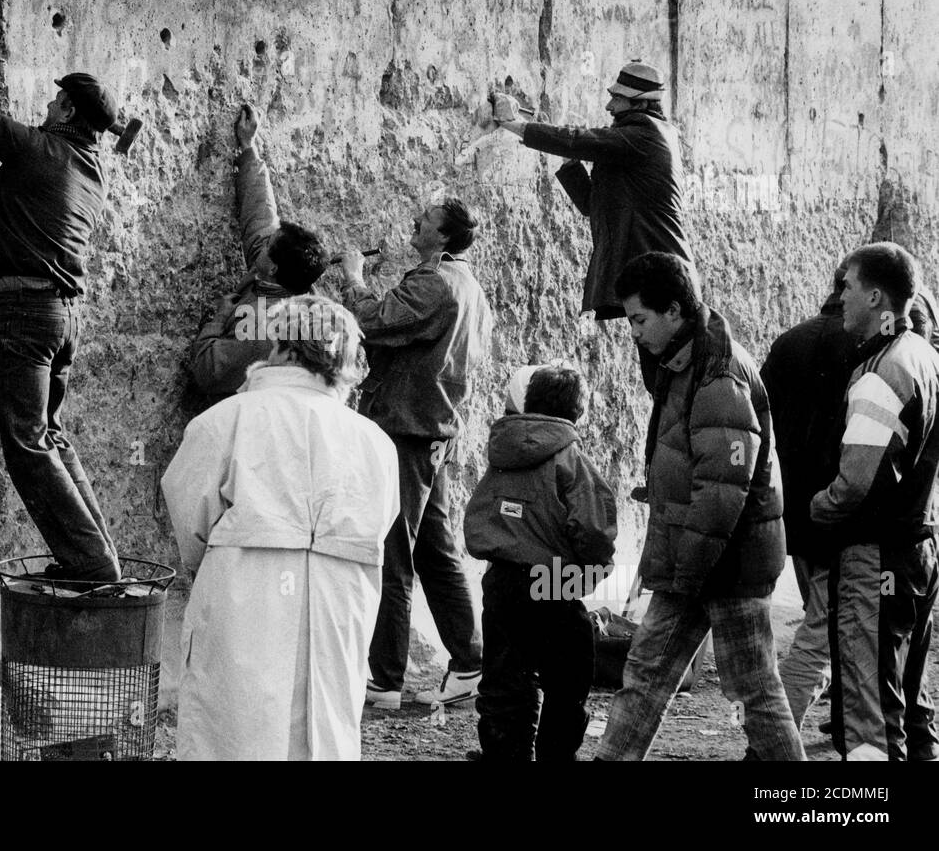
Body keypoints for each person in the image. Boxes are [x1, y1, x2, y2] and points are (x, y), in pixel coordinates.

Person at [161, 296, 400, 760]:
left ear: (282, 345)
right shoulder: (376, 443)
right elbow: (381, 521)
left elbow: (191, 516)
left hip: (244, 590)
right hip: (340, 599)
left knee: (233, 728)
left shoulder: (224, 420)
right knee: (324, 731)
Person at [594, 252, 804, 761]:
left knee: (753, 689)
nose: (635, 333)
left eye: (640, 319)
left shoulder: (717, 373)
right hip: (695, 559)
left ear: (673, 312)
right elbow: (691, 474)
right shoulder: (689, 359)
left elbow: (721, 491)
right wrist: (662, 561)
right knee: (646, 675)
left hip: (724, 565)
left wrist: (681, 571)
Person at [0, 22, 119, 582]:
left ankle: (92, 565)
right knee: (50, 436)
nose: (49, 103)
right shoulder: (91, 171)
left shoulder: (41, 151)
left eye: (57, 99)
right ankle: (99, 556)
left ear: (66, 113)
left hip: (27, 316)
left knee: (26, 443)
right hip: (60, 321)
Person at [338, 197, 493, 709]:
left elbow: (373, 321)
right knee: (435, 551)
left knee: (392, 554)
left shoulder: (434, 283)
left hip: (404, 430)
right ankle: (470, 665)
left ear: (444, 237)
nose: (415, 220)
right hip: (434, 431)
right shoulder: (469, 288)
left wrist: (354, 277)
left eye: (425, 219)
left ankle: (384, 680)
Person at [810, 242, 939, 761]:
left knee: (869, 718)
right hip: (918, 546)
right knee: (902, 699)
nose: (840, 295)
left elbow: (853, 485)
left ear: (876, 296)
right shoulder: (925, 357)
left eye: (848, 285)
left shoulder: (882, 374)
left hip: (874, 555)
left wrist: (817, 505)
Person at [464, 363, 618, 761]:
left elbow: (476, 517)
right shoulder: (572, 461)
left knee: (504, 679)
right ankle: (555, 756)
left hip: (501, 580)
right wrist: (590, 571)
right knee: (569, 677)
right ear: (577, 412)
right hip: (554, 581)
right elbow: (595, 531)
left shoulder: (501, 454)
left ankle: (504, 755)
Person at [493, 61, 692, 323]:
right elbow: (591, 203)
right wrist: (565, 155)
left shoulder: (646, 134)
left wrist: (513, 123)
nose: (609, 107)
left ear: (641, 104)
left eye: (618, 100)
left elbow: (579, 139)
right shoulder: (636, 139)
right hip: (654, 275)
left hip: (665, 280)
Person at [760, 262, 858, 731]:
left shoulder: (788, 341)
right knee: (821, 632)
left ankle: (837, 718)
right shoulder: (868, 346)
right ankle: (771, 738)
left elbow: (760, 422)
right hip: (841, 513)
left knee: (822, 620)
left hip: (794, 511)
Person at [190, 106, 328, 400]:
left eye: (267, 247)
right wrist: (248, 148)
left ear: (274, 267)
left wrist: (219, 318)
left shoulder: (261, 328)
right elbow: (262, 217)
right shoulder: (291, 279)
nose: (262, 245)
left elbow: (208, 370)